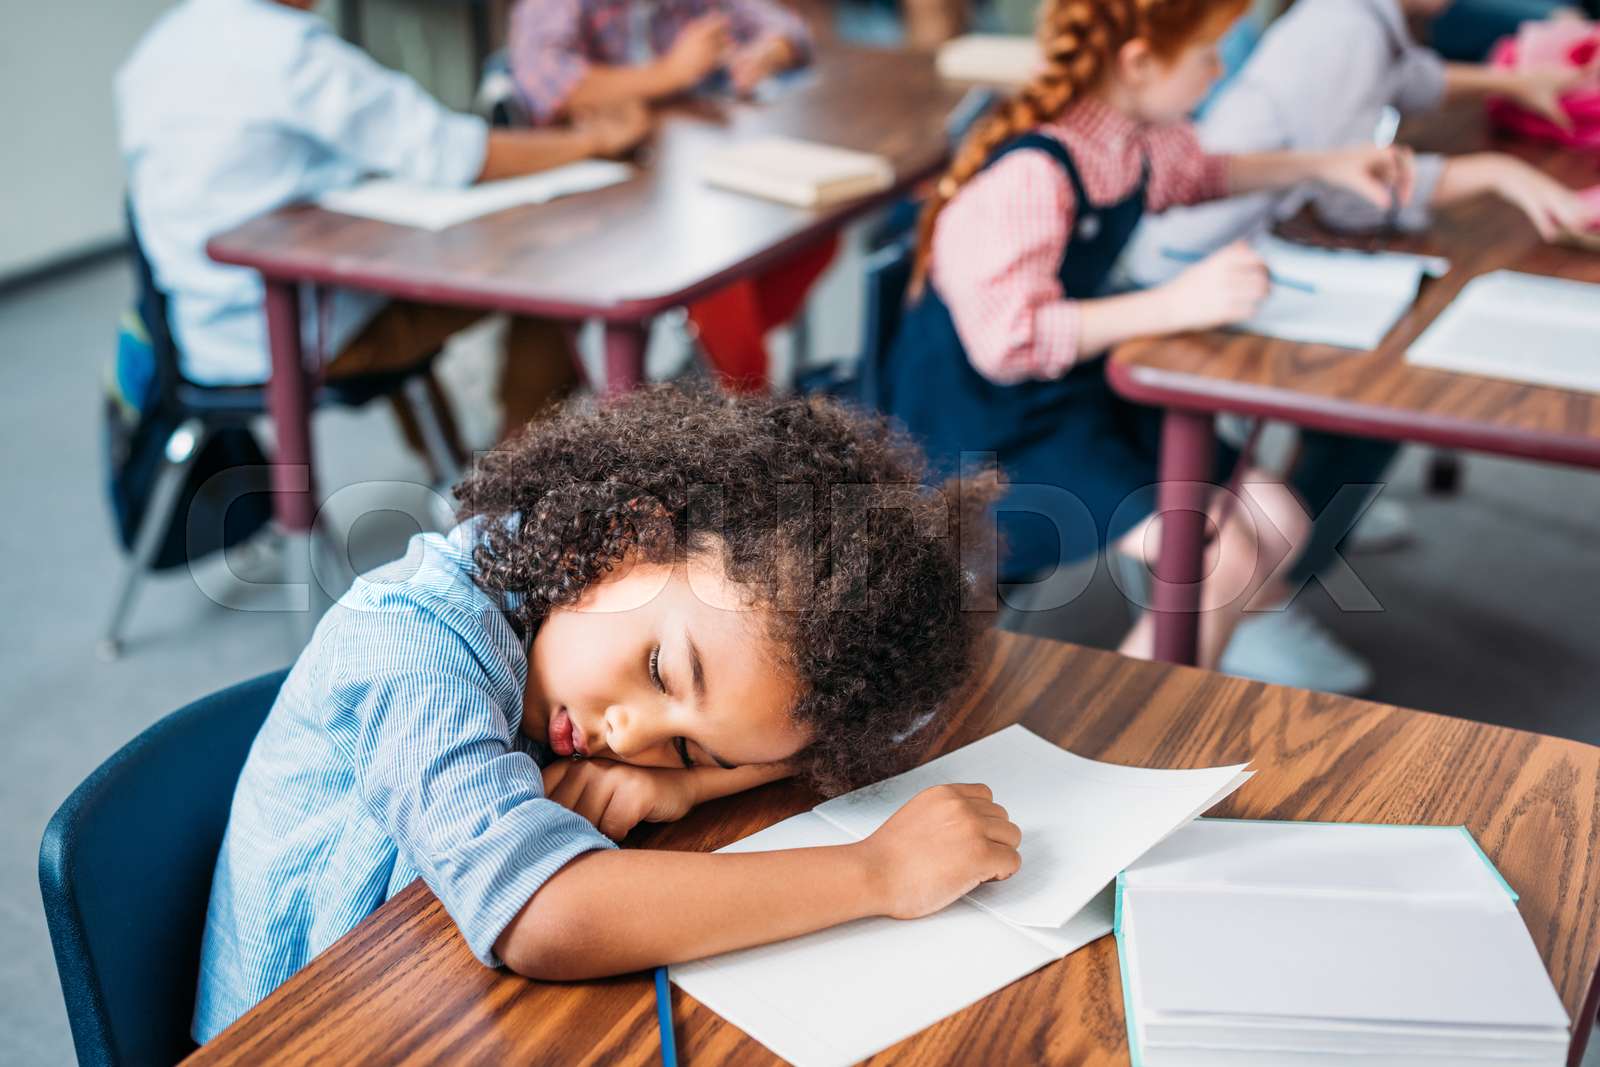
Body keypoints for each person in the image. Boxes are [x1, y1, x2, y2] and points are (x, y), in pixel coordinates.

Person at [193, 386, 1014, 1040]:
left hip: (438, 996)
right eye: (662, 672)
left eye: (688, 748)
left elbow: (886, 718)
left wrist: (692, 789)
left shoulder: (596, 613)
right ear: (631, 534)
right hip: (302, 1026)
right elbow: (545, 915)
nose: (630, 739)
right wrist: (878, 872)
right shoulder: (419, 645)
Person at [883, 0, 1415, 690]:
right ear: (1138, 63)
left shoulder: (1126, 140)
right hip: (988, 429)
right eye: (1206, 54)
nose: (1220, 69)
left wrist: (1328, 165)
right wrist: (1176, 303)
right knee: (1217, 556)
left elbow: (1204, 174)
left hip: (1070, 395)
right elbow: (1007, 343)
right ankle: (1129, 736)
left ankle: (1185, 671)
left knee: (1279, 522)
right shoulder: (1033, 177)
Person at [115, 0, 650, 442]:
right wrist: (594, 143)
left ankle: (451, 464)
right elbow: (453, 154)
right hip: (289, 333)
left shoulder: (162, 45)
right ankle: (515, 475)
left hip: (197, 331)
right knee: (553, 270)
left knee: (386, 277)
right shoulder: (289, 52)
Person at [506, 0, 835, 391]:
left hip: (692, 173)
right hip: (593, 200)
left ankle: (705, 382)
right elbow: (543, 78)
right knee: (716, 277)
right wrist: (671, 73)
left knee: (815, 231)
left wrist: (766, 52)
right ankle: (737, 399)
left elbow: (784, 26)